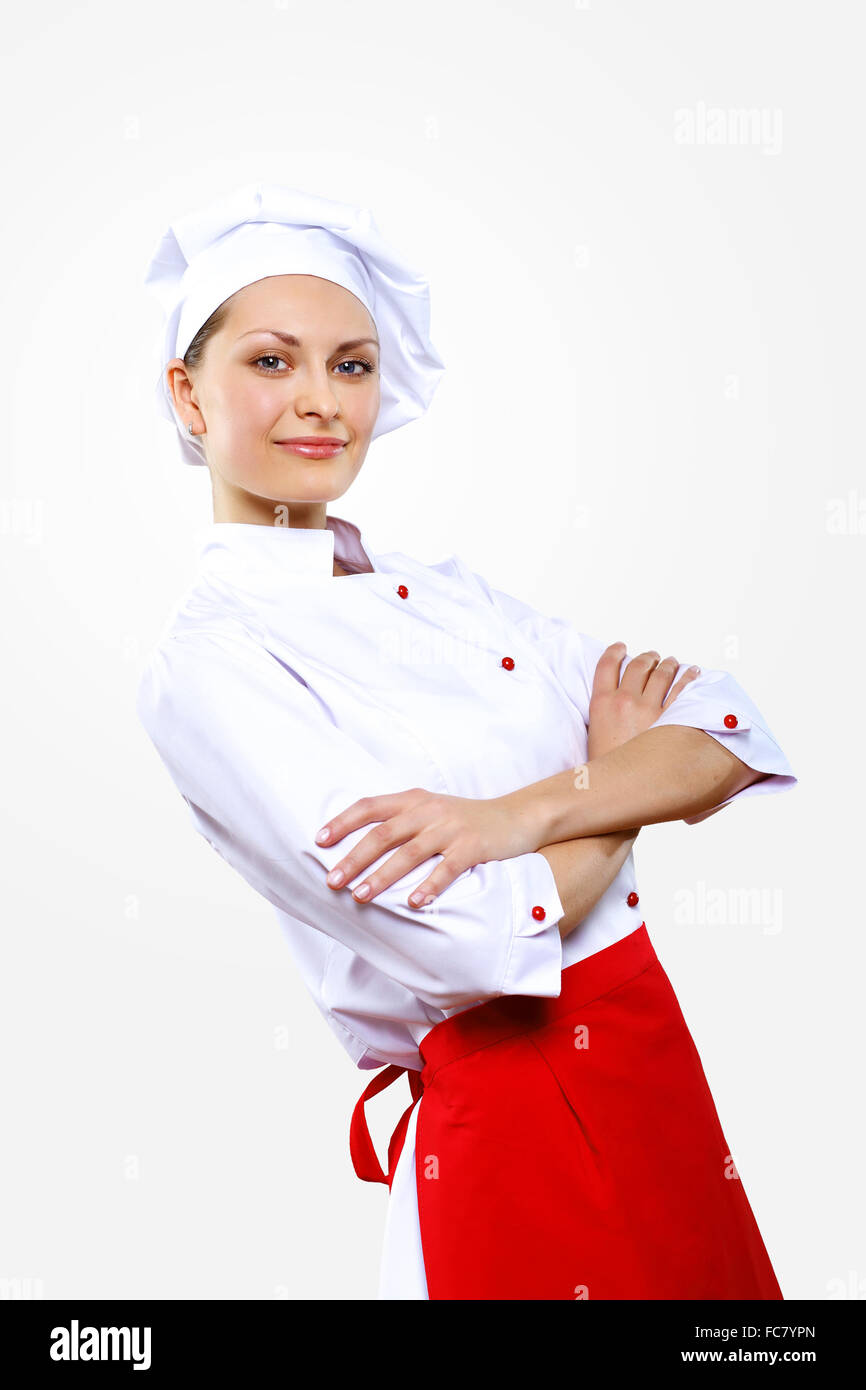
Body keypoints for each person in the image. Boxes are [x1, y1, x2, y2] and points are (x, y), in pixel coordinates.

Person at [136, 182, 798, 1300]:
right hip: (506, 1117)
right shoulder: (208, 666)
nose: (319, 400)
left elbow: (727, 730)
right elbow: (470, 943)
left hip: (652, 1069)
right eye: (269, 360)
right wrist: (620, 786)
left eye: (350, 363)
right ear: (187, 398)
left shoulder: (449, 599)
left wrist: (516, 816)